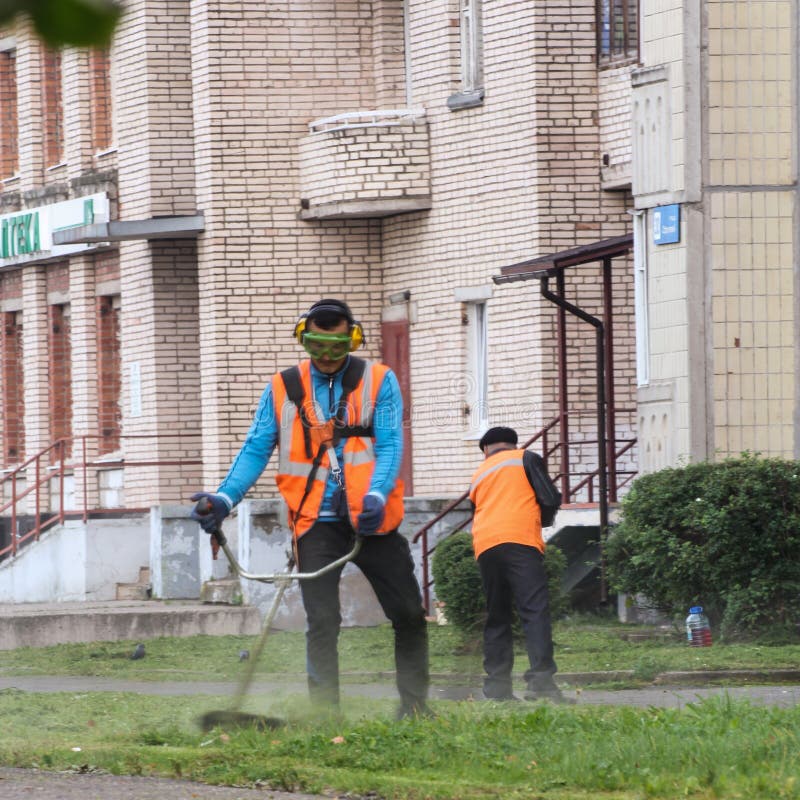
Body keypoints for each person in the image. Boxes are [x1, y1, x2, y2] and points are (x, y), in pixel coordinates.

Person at [190, 299, 430, 718]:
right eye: (315, 346)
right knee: (322, 620)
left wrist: (375, 494)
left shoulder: (379, 381)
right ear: (303, 339)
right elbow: (256, 448)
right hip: (313, 521)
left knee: (409, 613)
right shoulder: (283, 387)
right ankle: (324, 714)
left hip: (372, 517)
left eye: (336, 347)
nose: (325, 358)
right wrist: (225, 498)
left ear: (352, 339)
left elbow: (391, 444)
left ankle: (414, 706)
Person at [468, 426, 573, 704]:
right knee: (533, 611)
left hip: (485, 546)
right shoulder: (525, 458)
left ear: (486, 450)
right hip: (519, 541)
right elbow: (550, 498)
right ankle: (541, 683)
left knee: (497, 615)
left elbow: (475, 512)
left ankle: (497, 690)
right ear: (513, 445)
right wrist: (542, 521)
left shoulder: (479, 474)